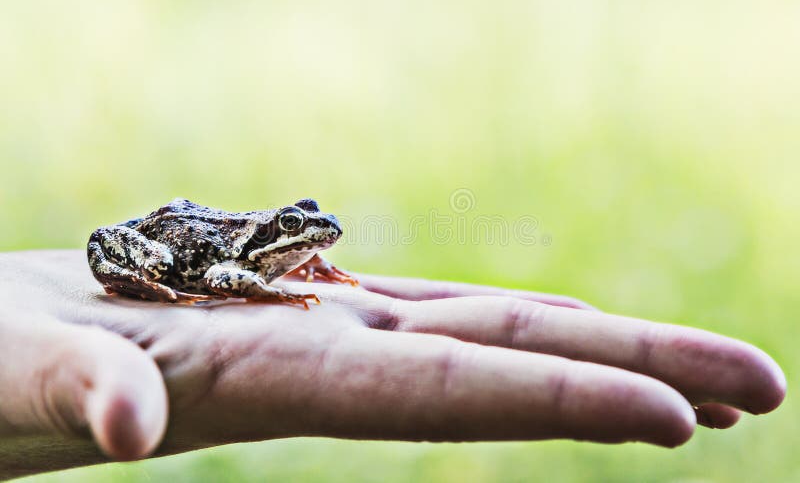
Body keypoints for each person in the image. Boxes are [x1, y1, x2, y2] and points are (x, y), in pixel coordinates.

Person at [0, 250, 786, 479]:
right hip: (166, 249)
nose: (308, 241)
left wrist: (312, 281)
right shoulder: (247, 256)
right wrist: (270, 294)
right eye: (292, 233)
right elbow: (234, 281)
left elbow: (295, 272)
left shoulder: (289, 255)